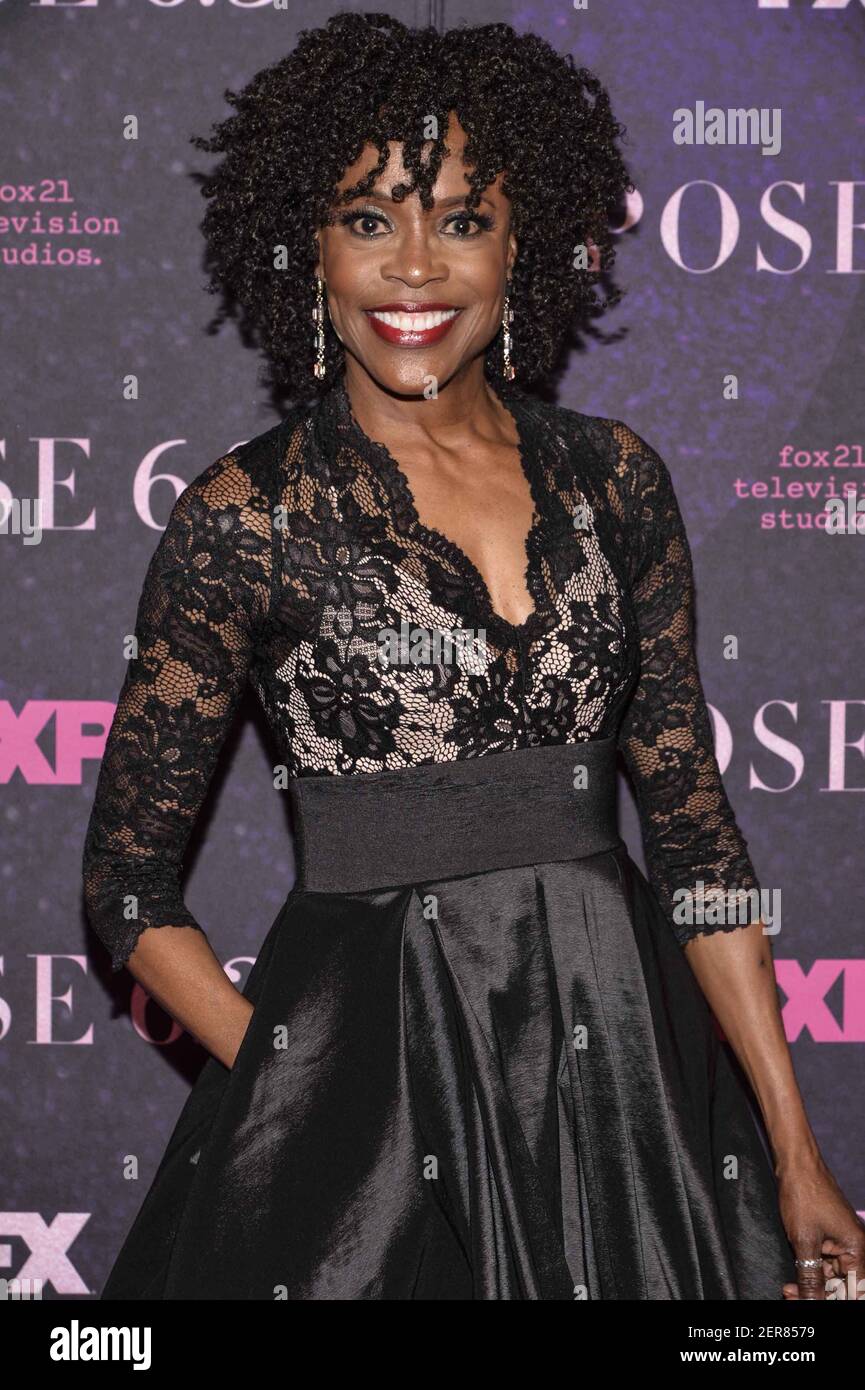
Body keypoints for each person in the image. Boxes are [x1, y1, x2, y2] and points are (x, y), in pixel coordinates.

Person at [82, 12, 863, 1300]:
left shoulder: (617, 480)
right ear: (311, 251)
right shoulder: (244, 515)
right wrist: (297, 1074)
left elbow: (700, 843)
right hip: (359, 1115)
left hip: (618, 1098)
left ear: (520, 245)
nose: (414, 272)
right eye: (368, 219)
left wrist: (793, 1149)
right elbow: (124, 885)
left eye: (460, 219)